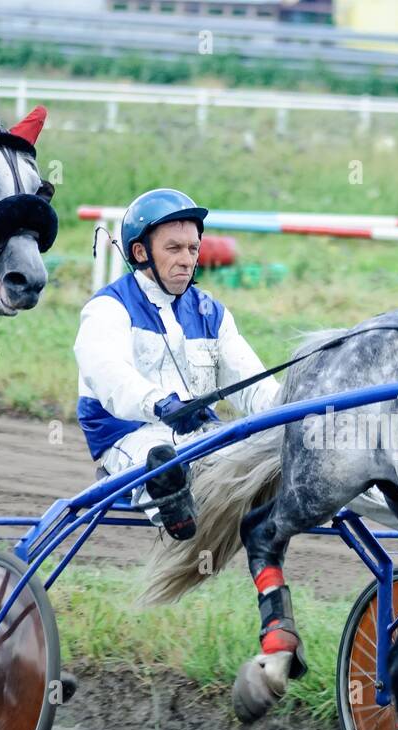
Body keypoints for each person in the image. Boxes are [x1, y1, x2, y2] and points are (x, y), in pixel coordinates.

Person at [74, 188, 279, 537]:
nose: (187, 259)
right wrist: (160, 403)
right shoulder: (108, 308)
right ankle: (172, 502)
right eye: (174, 248)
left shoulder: (211, 313)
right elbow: (109, 373)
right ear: (141, 252)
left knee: (276, 460)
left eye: (193, 249)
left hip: (201, 439)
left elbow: (254, 384)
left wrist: (294, 412)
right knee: (162, 459)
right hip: (130, 439)